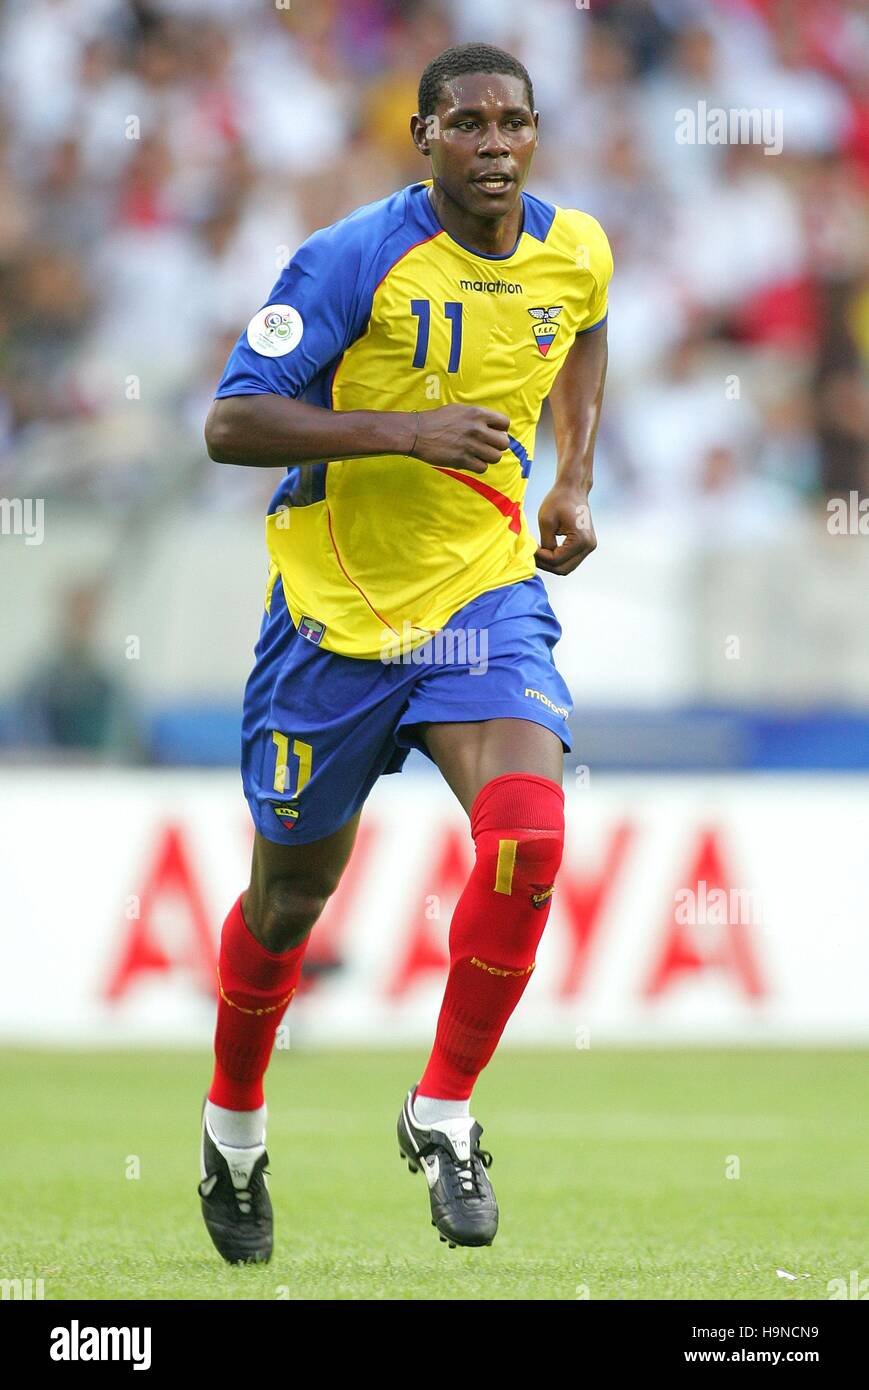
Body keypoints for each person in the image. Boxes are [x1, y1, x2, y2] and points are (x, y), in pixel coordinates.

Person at [198, 41, 611, 1263]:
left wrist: (573, 480)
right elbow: (231, 419)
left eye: (514, 123)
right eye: (467, 123)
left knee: (530, 836)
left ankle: (443, 1114)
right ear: (422, 135)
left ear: (534, 135)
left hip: (481, 602)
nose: (494, 144)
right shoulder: (350, 257)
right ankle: (232, 1130)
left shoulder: (572, 247)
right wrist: (402, 431)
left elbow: (584, 327)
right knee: (288, 901)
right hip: (332, 620)